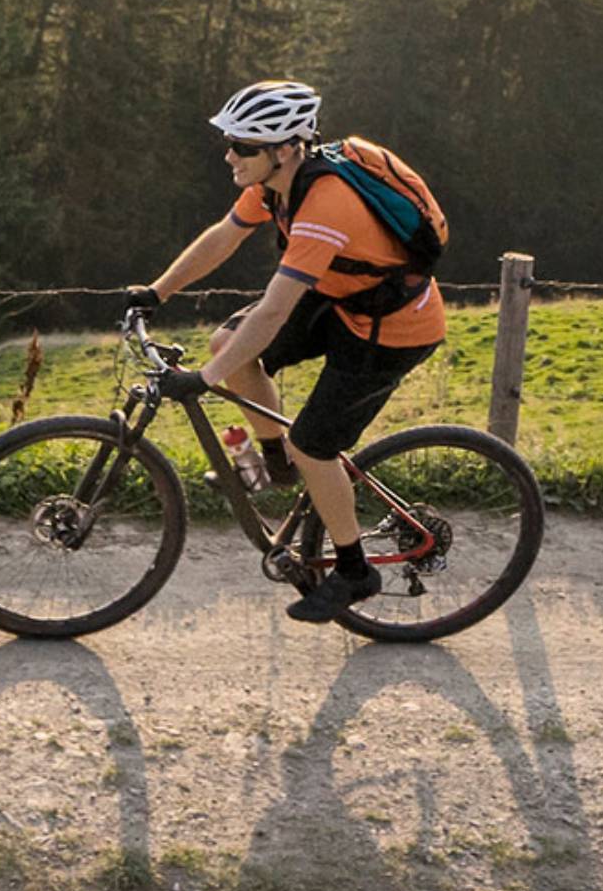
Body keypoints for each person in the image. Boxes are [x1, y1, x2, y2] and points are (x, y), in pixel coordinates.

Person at [124, 80, 449, 619]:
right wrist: (158, 290)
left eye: (242, 146)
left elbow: (275, 310)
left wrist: (204, 379)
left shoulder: (327, 206)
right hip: (343, 300)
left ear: (283, 149)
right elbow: (224, 236)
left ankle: (353, 570)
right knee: (229, 343)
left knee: (315, 445)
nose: (230, 155)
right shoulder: (278, 183)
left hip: (390, 331)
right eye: (230, 142)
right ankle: (276, 464)